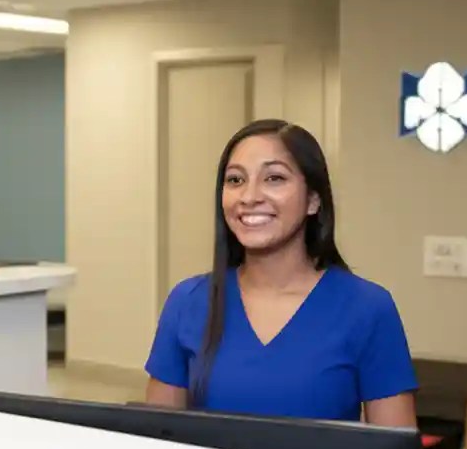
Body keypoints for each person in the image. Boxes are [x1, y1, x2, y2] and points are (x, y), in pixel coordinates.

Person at [144, 119, 418, 426]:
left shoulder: (368, 308)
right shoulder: (188, 301)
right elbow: (157, 440)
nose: (249, 197)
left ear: (313, 200)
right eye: (235, 180)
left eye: (274, 178)